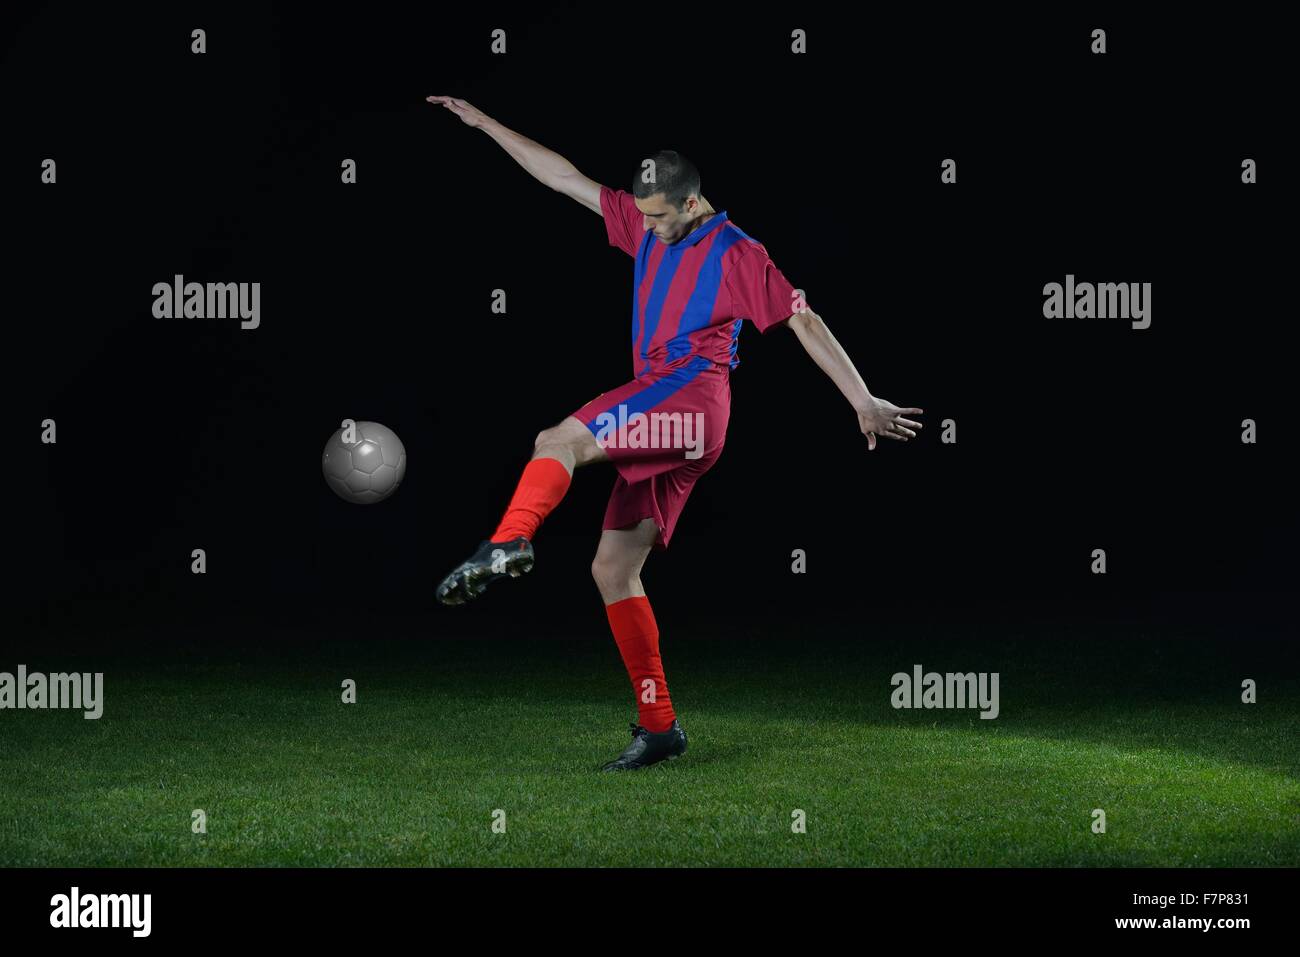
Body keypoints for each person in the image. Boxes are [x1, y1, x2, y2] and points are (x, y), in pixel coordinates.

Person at [427, 96, 924, 771]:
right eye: (644, 215)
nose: (649, 228)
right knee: (613, 567)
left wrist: (861, 398)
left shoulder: (737, 251)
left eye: (660, 217)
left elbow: (802, 318)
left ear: (692, 203)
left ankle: (507, 541)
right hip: (680, 417)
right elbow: (564, 178)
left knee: (557, 440)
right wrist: (486, 126)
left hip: (689, 401)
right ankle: (660, 726)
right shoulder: (644, 221)